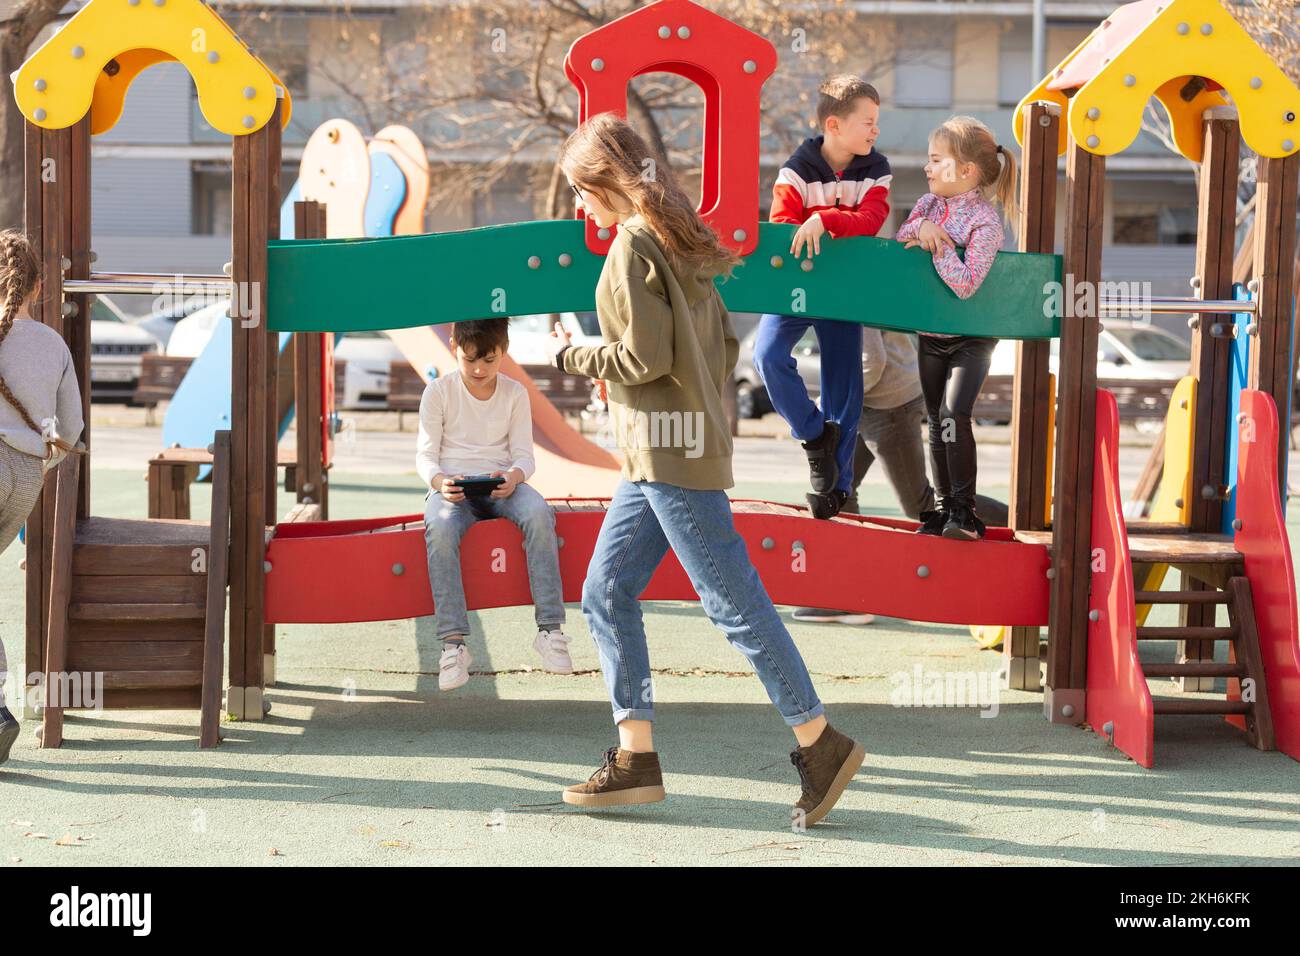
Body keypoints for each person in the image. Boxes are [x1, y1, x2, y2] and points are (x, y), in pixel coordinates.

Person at [549, 113, 864, 828]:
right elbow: (721, 345)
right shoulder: (677, 233)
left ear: (602, 182)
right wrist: (686, 407)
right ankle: (635, 759)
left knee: (734, 603)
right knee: (605, 593)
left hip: (665, 451)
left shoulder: (634, 244)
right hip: (665, 446)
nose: (578, 206)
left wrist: (574, 355)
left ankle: (821, 742)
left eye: (579, 189)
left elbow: (641, 360)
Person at [792, 328, 1009, 625]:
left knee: (918, 503)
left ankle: (1012, 519)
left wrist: (826, 404)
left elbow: (872, 361)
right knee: (839, 489)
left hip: (889, 405)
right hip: (867, 401)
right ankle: (848, 596)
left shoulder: (855, 287)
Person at [753, 75, 892, 520]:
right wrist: (816, 224)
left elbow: (870, 219)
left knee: (844, 386)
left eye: (876, 122)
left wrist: (824, 221)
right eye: (867, 122)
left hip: (843, 289)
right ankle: (814, 435)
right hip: (796, 287)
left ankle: (837, 488)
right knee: (768, 356)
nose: (875, 131)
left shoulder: (876, 168)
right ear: (834, 125)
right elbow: (783, 226)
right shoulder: (796, 170)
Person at [418, 318, 572, 691]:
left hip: (503, 485)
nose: (478, 369)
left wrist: (514, 477)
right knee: (438, 527)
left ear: (504, 351)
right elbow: (425, 456)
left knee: (538, 512)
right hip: (453, 489)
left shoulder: (514, 393)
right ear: (454, 345)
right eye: (469, 359)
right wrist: (441, 483)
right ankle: (453, 645)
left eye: (489, 360)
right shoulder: (439, 391)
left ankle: (550, 631)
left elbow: (525, 456)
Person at [895, 116, 1017, 541]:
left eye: (935, 160)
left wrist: (936, 246)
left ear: (965, 171)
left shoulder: (986, 221)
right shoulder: (928, 205)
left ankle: (965, 513)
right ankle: (943, 510)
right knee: (933, 419)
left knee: (953, 414)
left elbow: (966, 282)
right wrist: (924, 228)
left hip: (971, 338)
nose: (927, 168)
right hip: (932, 335)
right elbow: (902, 235)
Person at [0, 229, 85, 767]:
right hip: (26, 474)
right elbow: (70, 429)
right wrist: (38, 459)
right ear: (36, 286)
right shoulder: (52, 343)